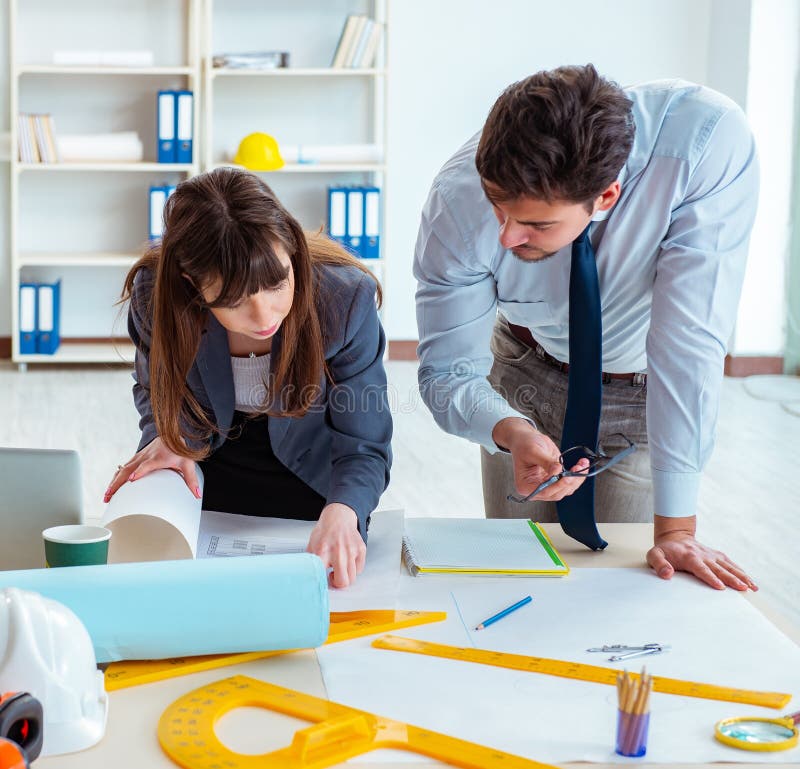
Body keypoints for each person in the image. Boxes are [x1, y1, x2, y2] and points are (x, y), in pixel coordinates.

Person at [414, 64, 759, 591]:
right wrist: (512, 430)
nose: (506, 237)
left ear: (605, 197)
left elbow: (687, 344)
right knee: (513, 575)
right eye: (498, 208)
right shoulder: (456, 200)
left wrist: (676, 531)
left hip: (641, 390)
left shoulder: (704, 146)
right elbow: (448, 372)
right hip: (522, 372)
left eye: (536, 223)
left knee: (619, 588)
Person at [105, 167, 392, 588]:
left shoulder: (344, 300)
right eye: (235, 300)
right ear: (192, 284)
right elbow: (155, 390)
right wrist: (167, 436)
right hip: (203, 478)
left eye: (277, 284)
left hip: (312, 483)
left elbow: (364, 444)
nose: (263, 317)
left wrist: (345, 511)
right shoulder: (156, 294)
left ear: (291, 250)